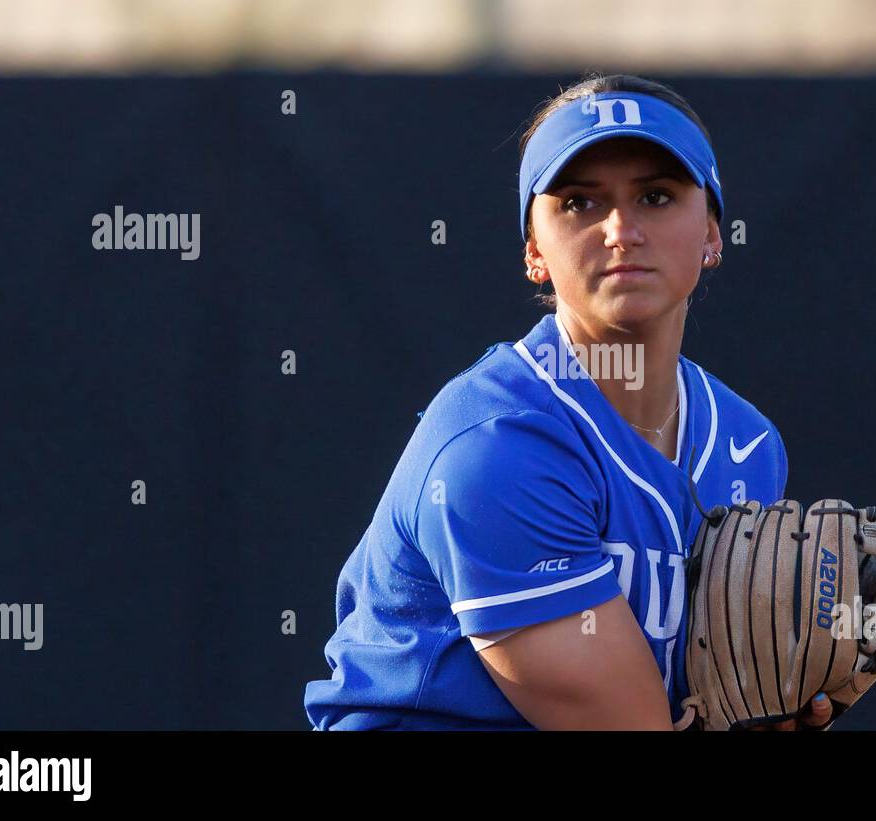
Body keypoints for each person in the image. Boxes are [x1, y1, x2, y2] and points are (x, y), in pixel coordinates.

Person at [303, 72, 833, 730]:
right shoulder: (495, 445)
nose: (620, 229)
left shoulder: (749, 445)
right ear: (534, 251)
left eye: (657, 195)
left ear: (713, 234)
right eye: (580, 203)